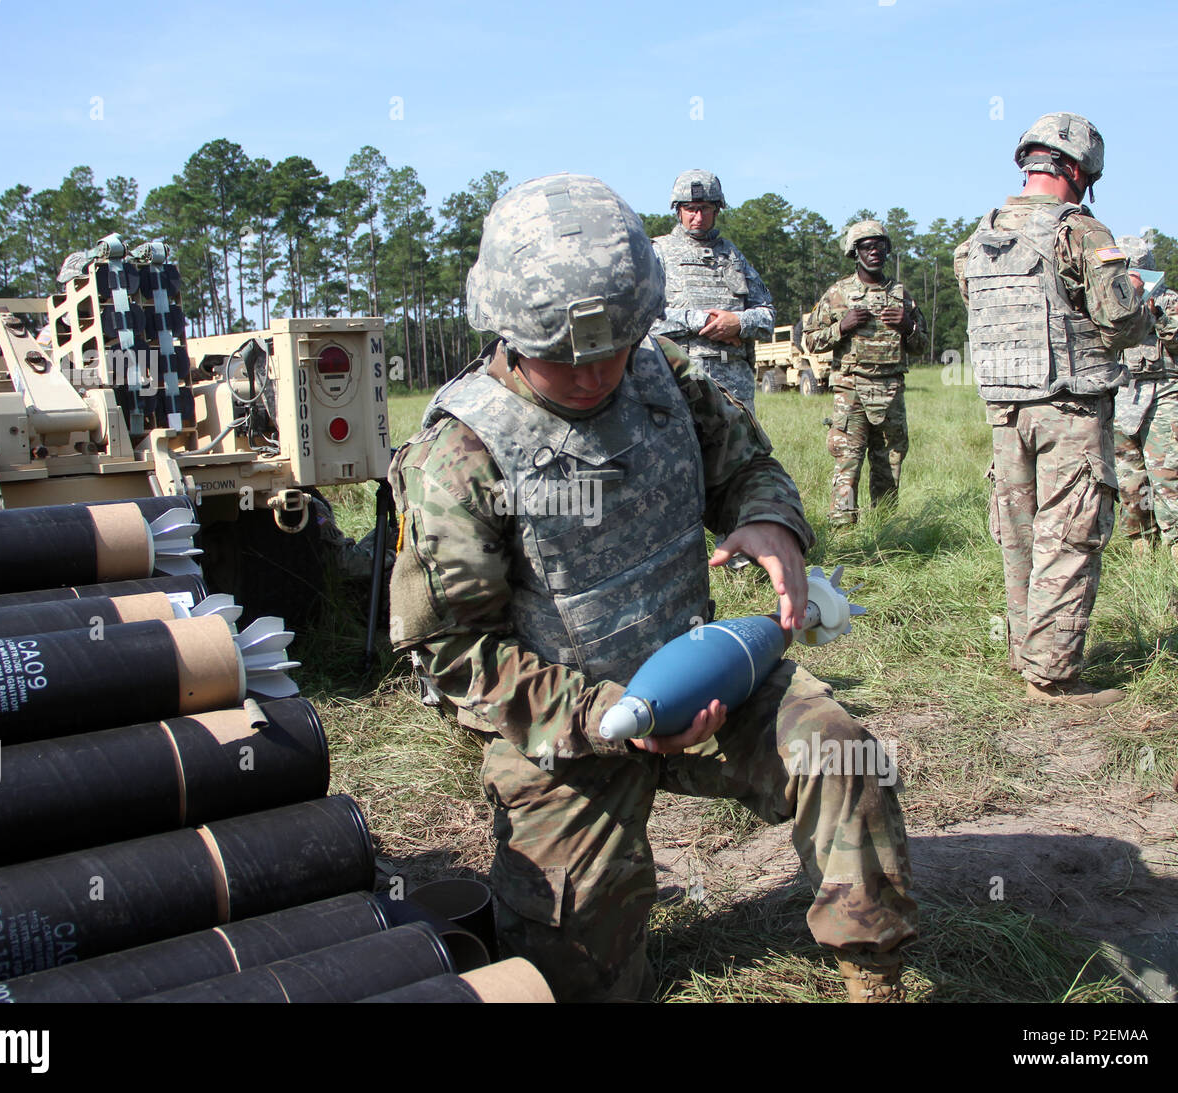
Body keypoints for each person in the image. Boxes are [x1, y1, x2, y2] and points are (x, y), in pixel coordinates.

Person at [389, 173, 917, 1003]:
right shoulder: (462, 457)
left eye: (615, 346)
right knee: (569, 972)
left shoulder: (661, 371)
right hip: (566, 727)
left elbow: (746, 464)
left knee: (844, 758)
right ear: (509, 330)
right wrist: (603, 717)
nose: (598, 373)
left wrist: (770, 517)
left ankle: (874, 974)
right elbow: (451, 653)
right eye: (568, 359)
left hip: (706, 675)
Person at [954, 112, 1149, 707]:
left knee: (1018, 536)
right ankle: (1054, 676)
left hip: (1005, 410)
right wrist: (1139, 301)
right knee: (1067, 536)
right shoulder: (1082, 231)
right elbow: (1119, 322)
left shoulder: (979, 238)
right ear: (1078, 169)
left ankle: (1027, 654)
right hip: (1069, 408)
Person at [804, 220, 927, 526]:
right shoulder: (838, 294)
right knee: (848, 462)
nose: (875, 253)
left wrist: (907, 327)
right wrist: (840, 327)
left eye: (880, 246)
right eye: (867, 247)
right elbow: (808, 340)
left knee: (889, 464)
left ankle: (884, 530)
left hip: (891, 392)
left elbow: (922, 345)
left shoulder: (901, 296)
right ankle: (844, 537)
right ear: (855, 252)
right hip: (851, 391)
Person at [648, 169, 774, 410]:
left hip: (735, 391)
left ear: (717, 209)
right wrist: (703, 320)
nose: (698, 216)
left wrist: (738, 323)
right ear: (678, 210)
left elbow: (767, 315)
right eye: (690, 209)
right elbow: (643, 318)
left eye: (705, 208)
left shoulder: (733, 255)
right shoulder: (658, 253)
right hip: (679, 383)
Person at [1113, 260, 1178, 562]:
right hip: (1122, 395)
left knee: (1165, 477)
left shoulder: (1170, 301)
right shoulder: (1108, 300)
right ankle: (1142, 548)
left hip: (1163, 394)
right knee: (1129, 483)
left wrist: (1156, 315)